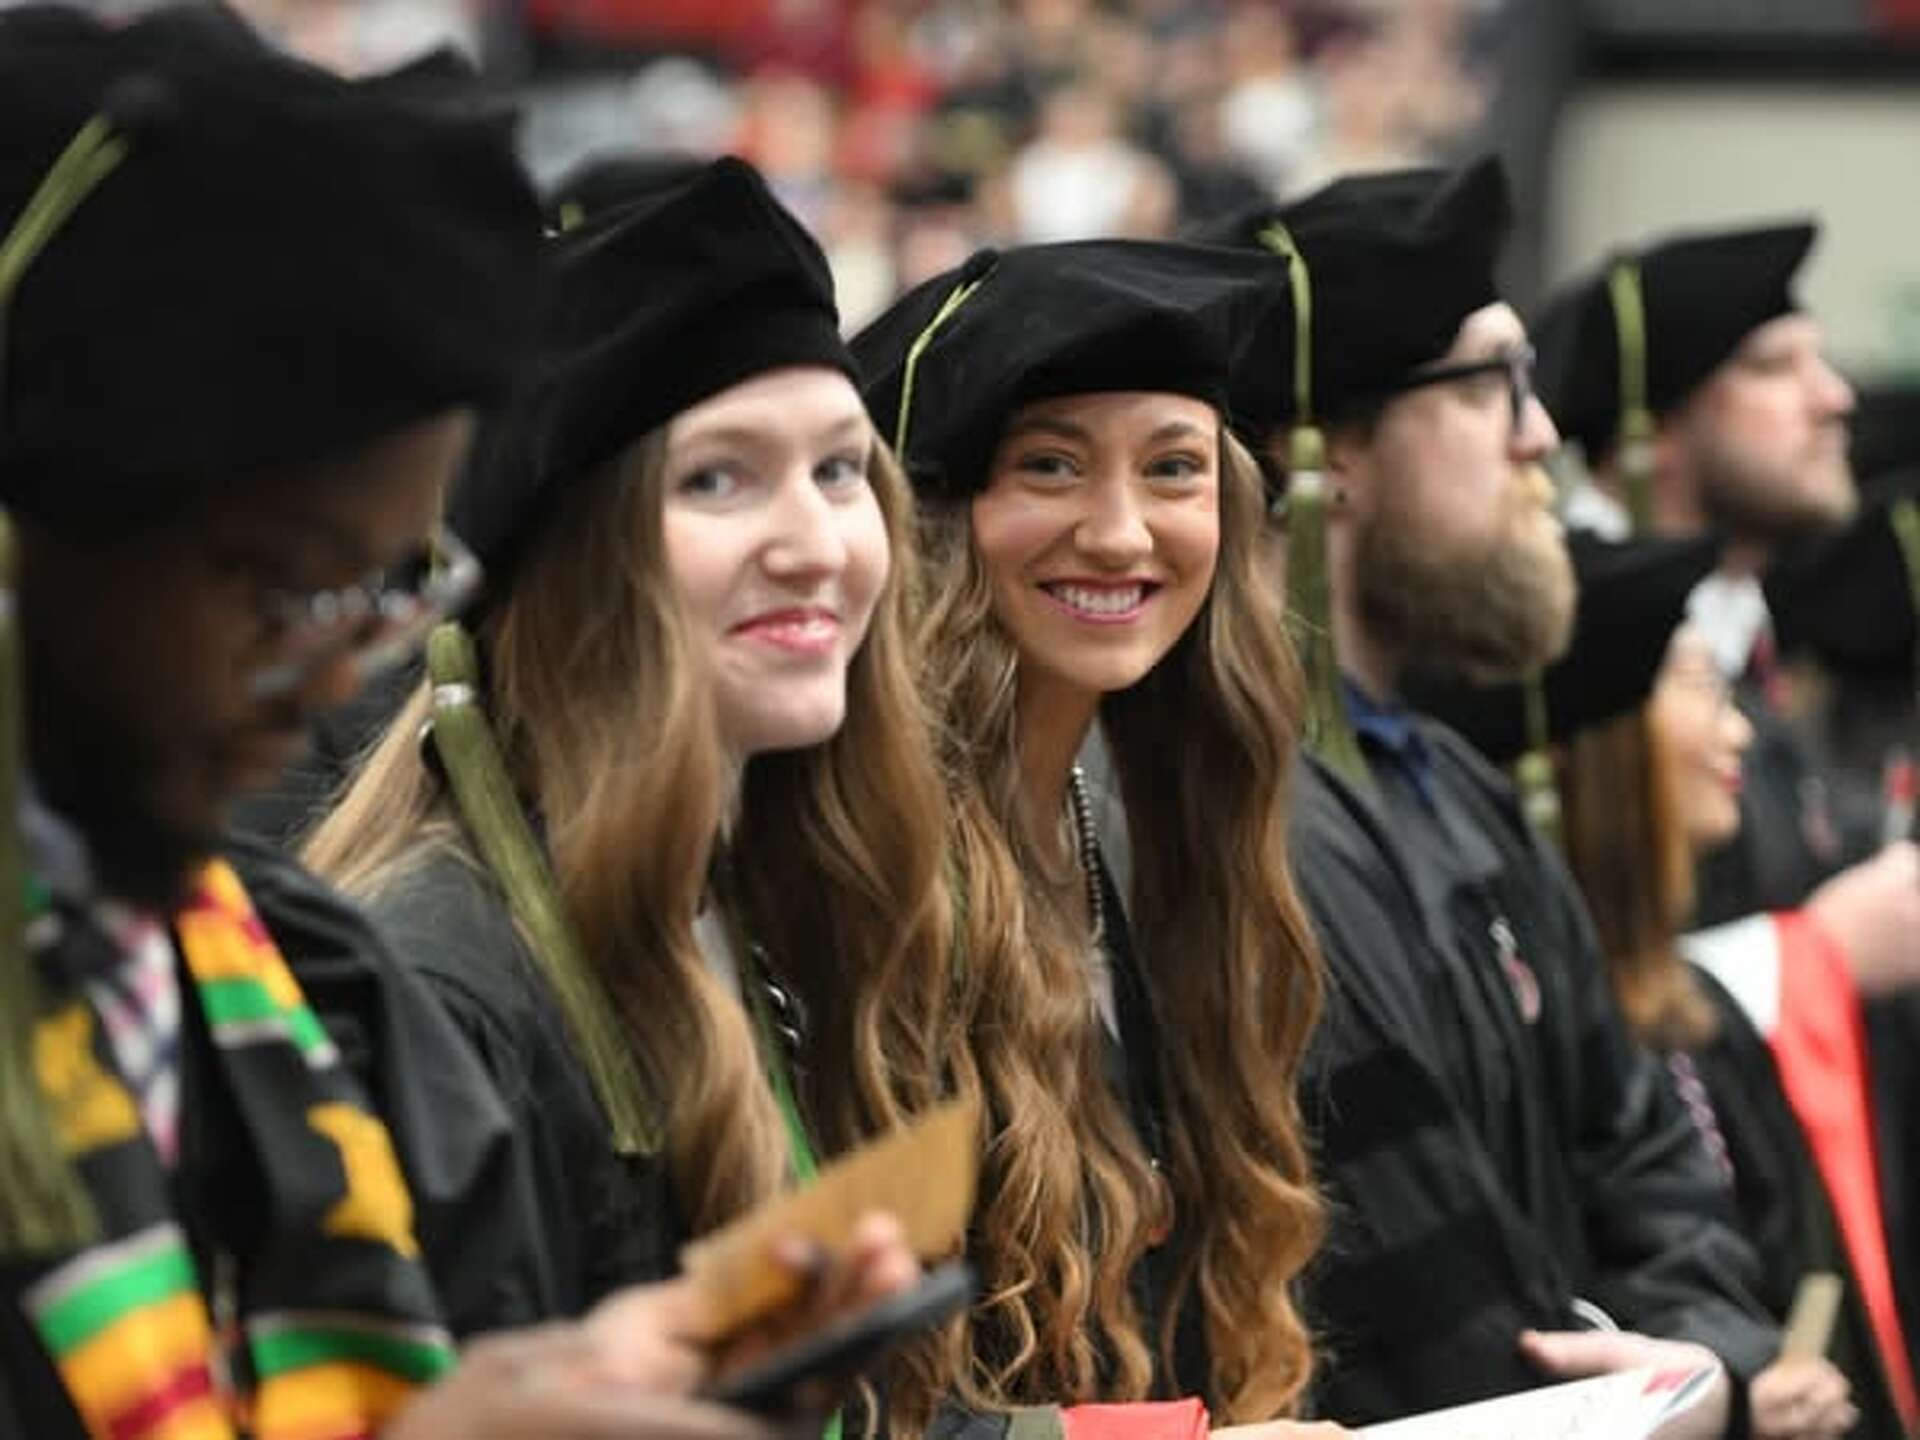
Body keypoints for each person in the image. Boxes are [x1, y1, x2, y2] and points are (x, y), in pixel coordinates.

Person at [0, 11, 912, 1439]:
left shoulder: (294, 986)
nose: (331, 671)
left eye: (397, 577)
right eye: (287, 576)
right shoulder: (438, 972)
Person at [1197, 158, 1805, 1437]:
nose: (1539, 437)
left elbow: (1643, 1145)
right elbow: (1414, 1280)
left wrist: (1694, 1350)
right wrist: (1619, 1396)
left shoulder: (1455, 787)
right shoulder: (1231, 819)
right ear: (1337, 452)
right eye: (1492, 386)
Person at [306, 156, 955, 1336]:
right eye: (718, 478)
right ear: (570, 561)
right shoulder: (438, 998)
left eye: (840, 469)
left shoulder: (748, 892)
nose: (816, 542)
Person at [854, 239, 1339, 1440]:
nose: (1123, 534)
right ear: (935, 516)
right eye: (1051, 465)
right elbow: (814, 1382)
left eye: (1174, 470)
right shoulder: (857, 871)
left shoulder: (1134, 829)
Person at [1536, 221, 1920, 1431]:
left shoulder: (1752, 676)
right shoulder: (1563, 675)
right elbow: (1544, 998)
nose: (1832, 396)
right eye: (1773, 367)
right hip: (1660, 1314)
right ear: (1655, 430)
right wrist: (1802, 958)